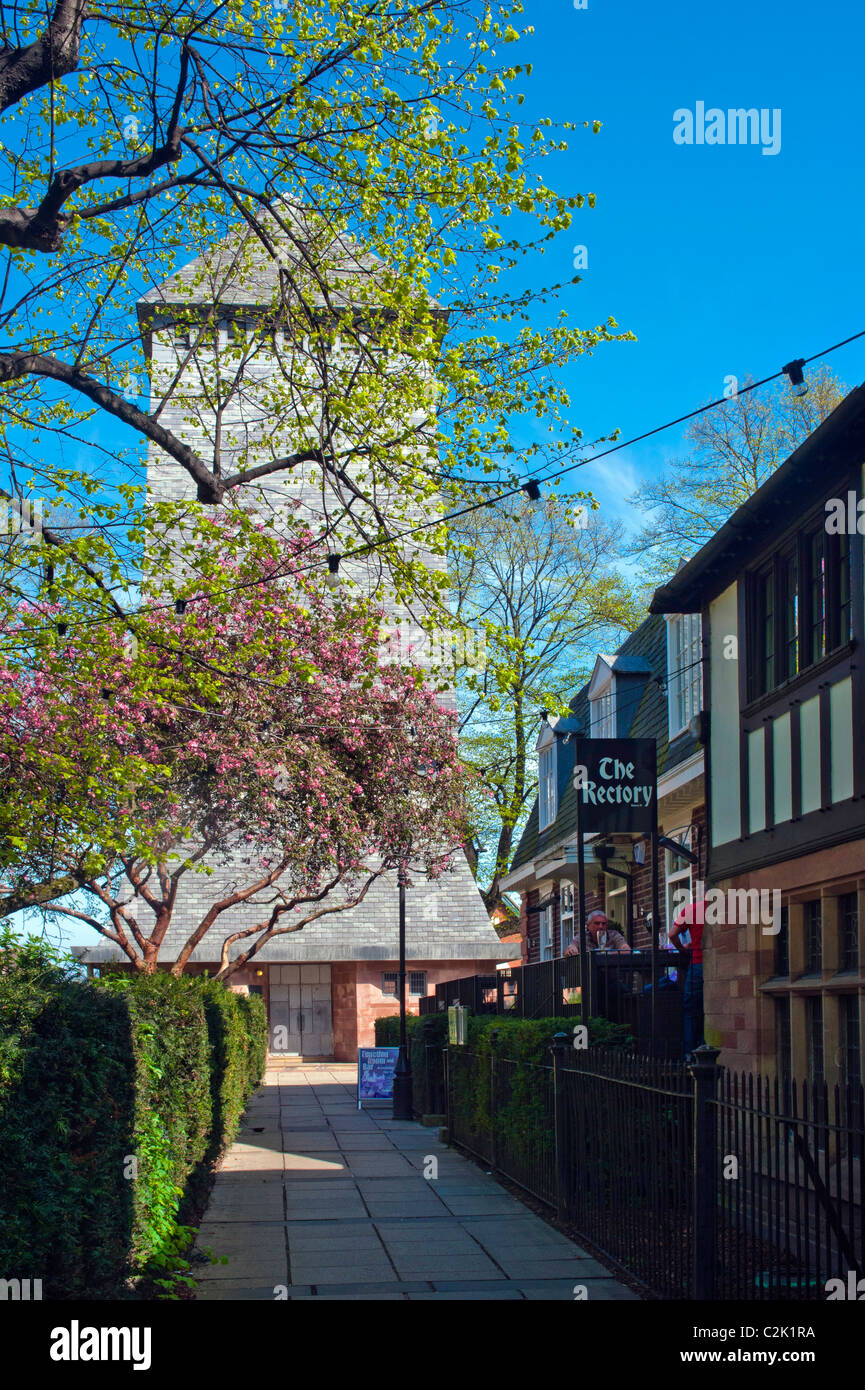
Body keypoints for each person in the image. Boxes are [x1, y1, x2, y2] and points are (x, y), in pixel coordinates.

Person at [668, 899, 706, 1056]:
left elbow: (672, 934)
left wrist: (682, 949)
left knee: (691, 1010)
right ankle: (709, 1051)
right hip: (720, 964)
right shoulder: (728, 907)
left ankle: (690, 1055)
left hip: (697, 963)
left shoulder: (693, 909)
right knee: (713, 1008)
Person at [563, 909, 631, 955]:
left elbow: (626, 949)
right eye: (597, 923)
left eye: (603, 924)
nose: (600, 926)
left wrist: (607, 954)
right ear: (588, 926)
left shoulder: (614, 935)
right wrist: (571, 949)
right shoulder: (582, 937)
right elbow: (570, 948)